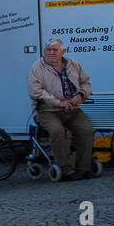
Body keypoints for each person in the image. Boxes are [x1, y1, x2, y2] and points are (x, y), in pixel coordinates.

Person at [27, 39, 95, 181]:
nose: (51, 53)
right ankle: (66, 169)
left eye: (55, 50)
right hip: (47, 111)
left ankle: (84, 168)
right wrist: (58, 102)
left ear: (62, 52)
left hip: (72, 108)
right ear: (44, 51)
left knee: (86, 129)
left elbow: (86, 82)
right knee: (57, 131)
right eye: (48, 50)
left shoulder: (72, 64)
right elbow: (36, 92)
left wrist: (81, 95)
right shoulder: (37, 67)